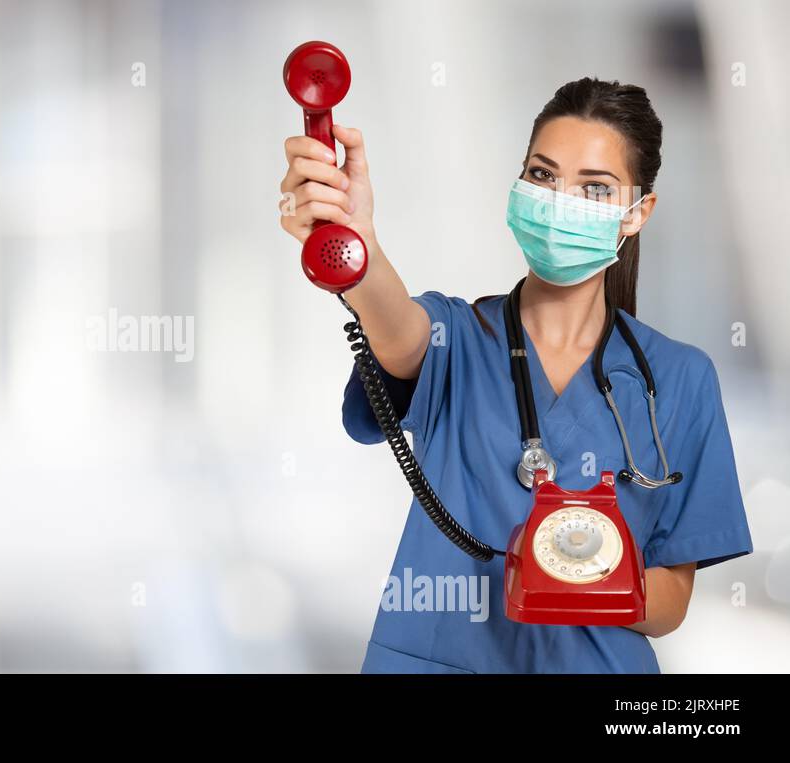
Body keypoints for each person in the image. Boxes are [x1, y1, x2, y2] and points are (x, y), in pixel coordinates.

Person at [278, 77, 753, 673]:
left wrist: (578, 572)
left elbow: (672, 600)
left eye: (595, 188)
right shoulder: (454, 340)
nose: (559, 201)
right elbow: (392, 324)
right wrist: (355, 241)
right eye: (542, 175)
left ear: (638, 214)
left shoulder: (680, 378)